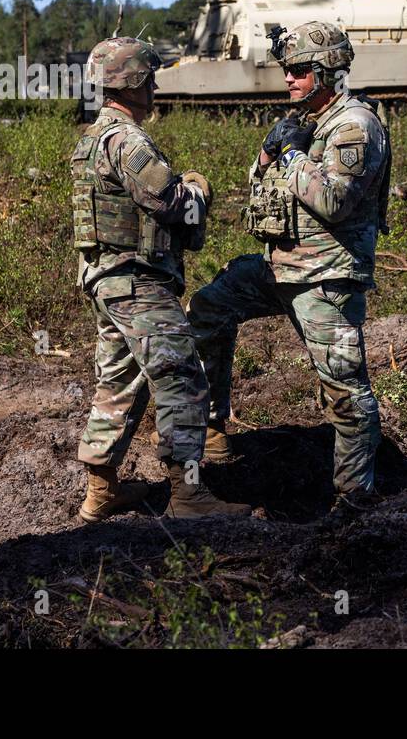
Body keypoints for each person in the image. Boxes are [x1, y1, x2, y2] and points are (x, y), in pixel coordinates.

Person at [187, 21, 390, 512]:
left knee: (344, 390)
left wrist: (293, 151)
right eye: (287, 70)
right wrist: (268, 150)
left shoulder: (353, 125)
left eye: (299, 71)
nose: (289, 80)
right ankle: (214, 429)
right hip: (281, 266)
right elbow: (260, 182)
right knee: (207, 310)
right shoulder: (307, 120)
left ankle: (355, 499)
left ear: (327, 71)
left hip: (324, 275)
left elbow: (334, 200)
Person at [72, 36, 251, 521]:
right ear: (131, 82)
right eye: (149, 77)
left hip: (108, 282)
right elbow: (167, 202)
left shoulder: (91, 138)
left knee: (119, 382)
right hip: (138, 283)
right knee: (183, 380)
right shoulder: (127, 140)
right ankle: (189, 496)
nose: (155, 86)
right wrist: (197, 189)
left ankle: (101, 490)